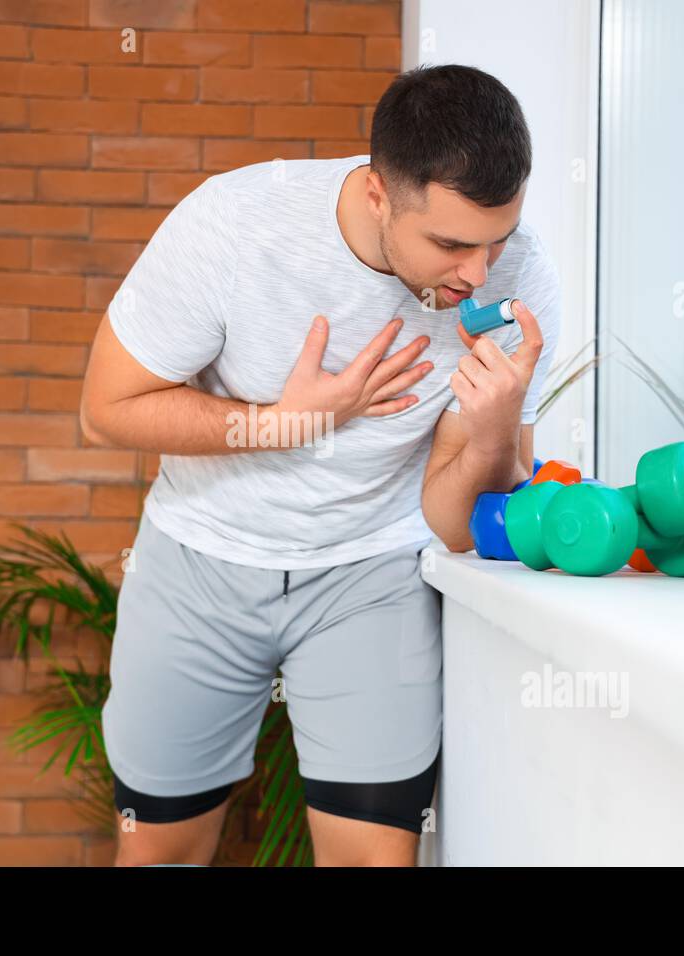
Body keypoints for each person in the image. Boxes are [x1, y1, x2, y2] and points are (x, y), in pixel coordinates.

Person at [80, 63, 562, 866]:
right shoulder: (234, 226)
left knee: (373, 861)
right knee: (159, 850)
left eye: (497, 239)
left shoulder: (520, 276)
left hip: (373, 572)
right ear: (378, 193)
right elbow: (106, 410)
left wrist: (492, 431)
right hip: (201, 558)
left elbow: (454, 520)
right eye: (449, 243)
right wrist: (282, 425)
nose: (479, 274)